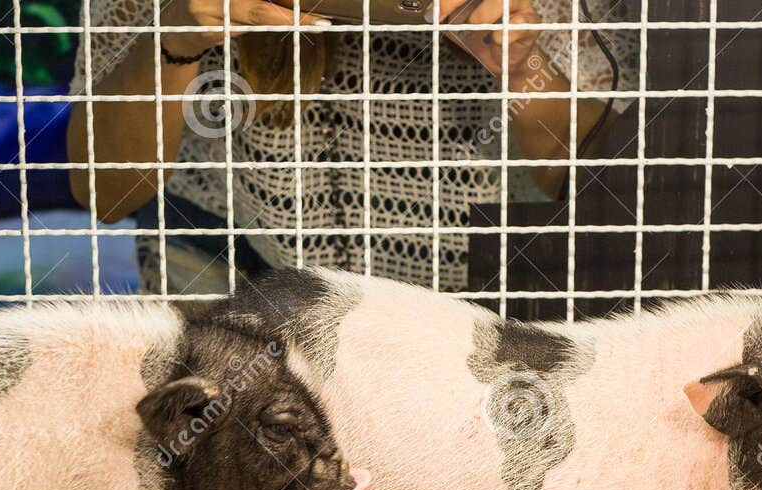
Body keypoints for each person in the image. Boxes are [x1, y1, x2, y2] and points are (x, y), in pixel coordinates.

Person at [67, 0, 621, 292]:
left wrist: (518, 62)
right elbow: (104, 191)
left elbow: (607, 196)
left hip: (468, 295)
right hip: (225, 264)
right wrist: (174, 37)